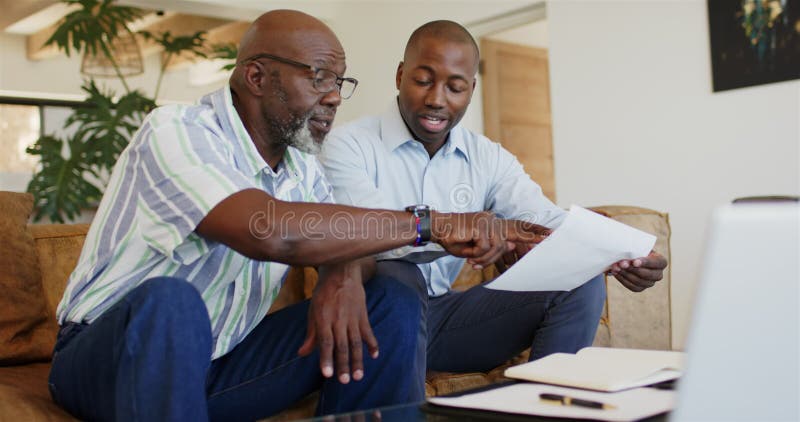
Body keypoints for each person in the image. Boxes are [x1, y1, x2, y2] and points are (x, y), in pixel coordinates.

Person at [49, 11, 532, 421]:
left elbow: (343, 233)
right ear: (257, 77)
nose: (335, 96)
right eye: (319, 77)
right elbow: (267, 230)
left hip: (223, 365)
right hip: (111, 358)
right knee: (172, 301)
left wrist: (341, 273)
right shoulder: (177, 131)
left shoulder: (302, 168)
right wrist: (430, 223)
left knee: (391, 293)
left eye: (339, 81)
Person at [319, 20, 668, 376]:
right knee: (396, 274)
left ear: (471, 89)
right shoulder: (348, 145)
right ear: (399, 75)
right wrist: (458, 230)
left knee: (579, 277)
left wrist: (625, 251)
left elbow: (541, 218)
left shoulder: (487, 157)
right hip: (375, 319)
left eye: (455, 87)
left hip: (446, 322)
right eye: (423, 81)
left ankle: (547, 399)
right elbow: (366, 232)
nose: (436, 99)